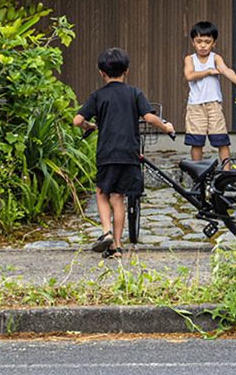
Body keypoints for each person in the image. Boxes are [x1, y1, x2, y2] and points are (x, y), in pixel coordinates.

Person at [73, 47, 173, 256]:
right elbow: (149, 118)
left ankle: (106, 231)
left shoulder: (98, 96)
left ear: (101, 72)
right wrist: (166, 127)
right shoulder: (134, 93)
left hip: (107, 153)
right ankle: (117, 246)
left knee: (102, 193)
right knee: (118, 197)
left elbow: (77, 120)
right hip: (129, 153)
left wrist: (89, 126)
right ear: (126, 71)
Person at [181, 20, 236, 166]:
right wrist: (208, 71)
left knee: (221, 140)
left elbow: (226, 70)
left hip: (214, 105)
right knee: (197, 142)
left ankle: (226, 173)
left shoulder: (215, 58)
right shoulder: (190, 59)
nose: (203, 45)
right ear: (193, 42)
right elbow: (189, 75)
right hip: (195, 106)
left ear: (214, 43)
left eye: (207, 41)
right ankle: (197, 174)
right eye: (199, 41)